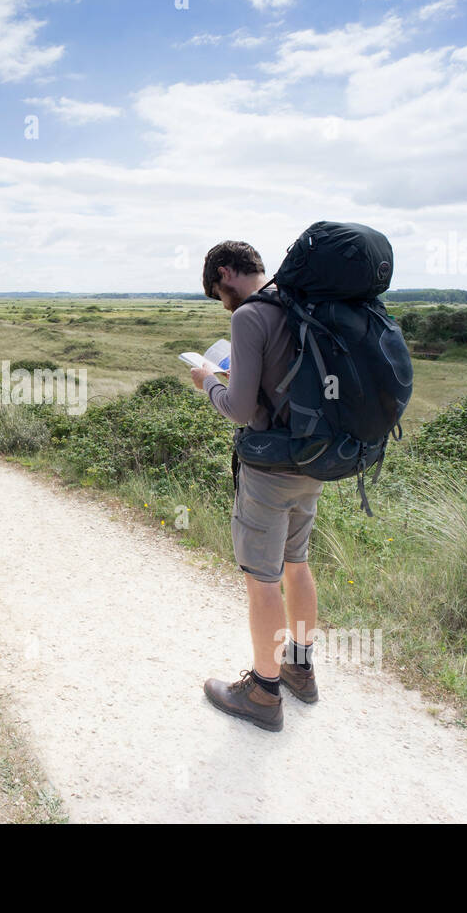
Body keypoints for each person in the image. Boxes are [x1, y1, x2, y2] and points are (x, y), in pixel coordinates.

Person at [189, 240, 325, 732]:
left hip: (270, 470)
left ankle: (263, 693)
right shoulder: (303, 303)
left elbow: (240, 410)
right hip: (316, 459)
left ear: (225, 272)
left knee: (262, 578)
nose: (223, 302)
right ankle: (299, 668)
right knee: (297, 563)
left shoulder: (250, 316)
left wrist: (208, 380)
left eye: (217, 293)